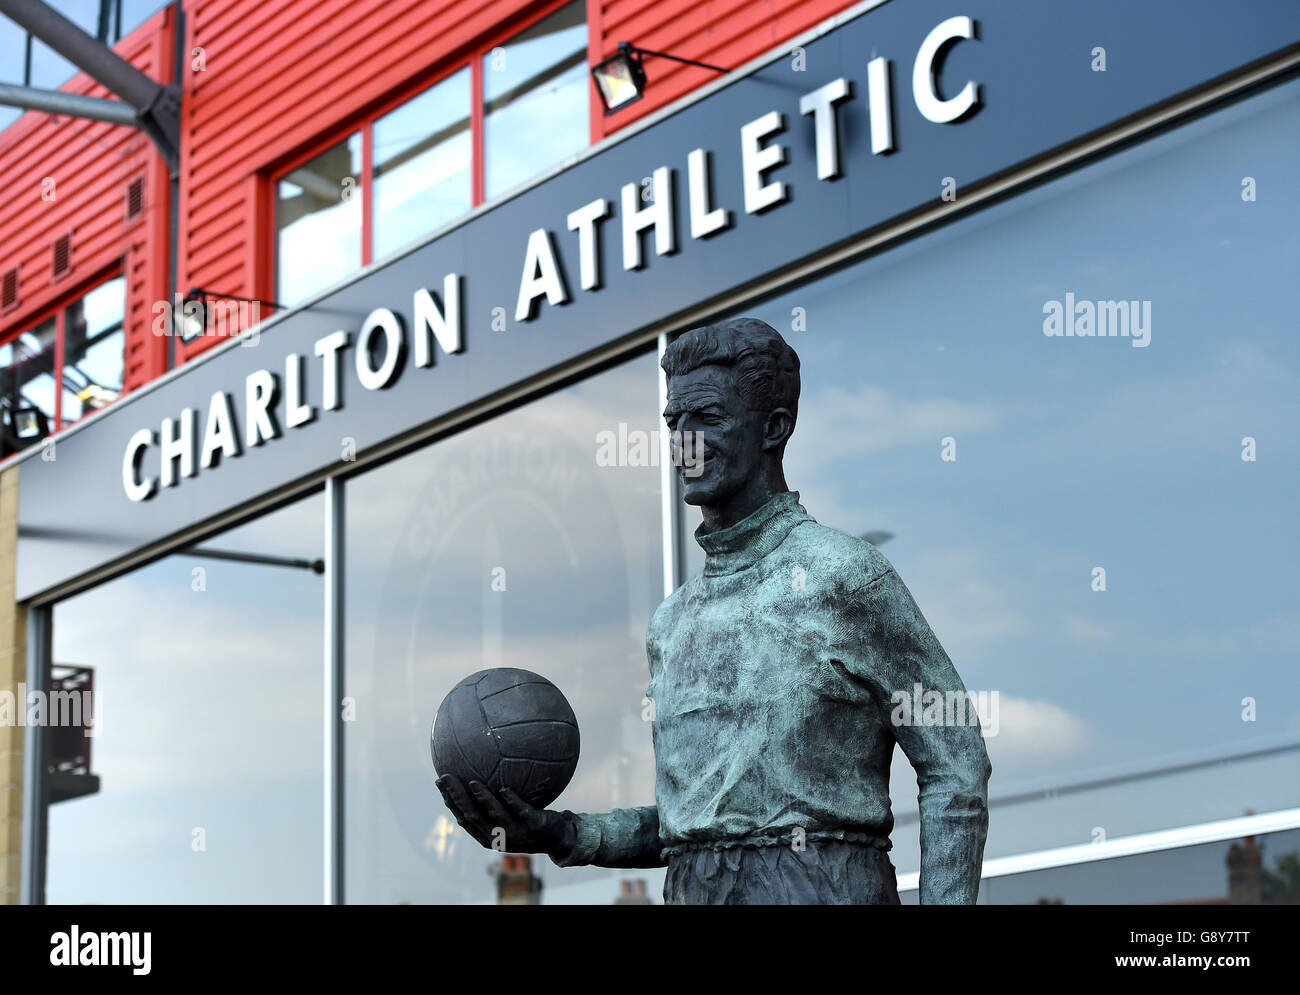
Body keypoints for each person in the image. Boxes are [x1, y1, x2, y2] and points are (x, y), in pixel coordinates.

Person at [437, 317, 992, 904]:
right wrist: (565, 833)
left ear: (774, 429)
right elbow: (690, 828)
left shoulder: (845, 576)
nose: (685, 443)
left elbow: (956, 766)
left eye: (707, 419)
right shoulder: (673, 624)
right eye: (674, 423)